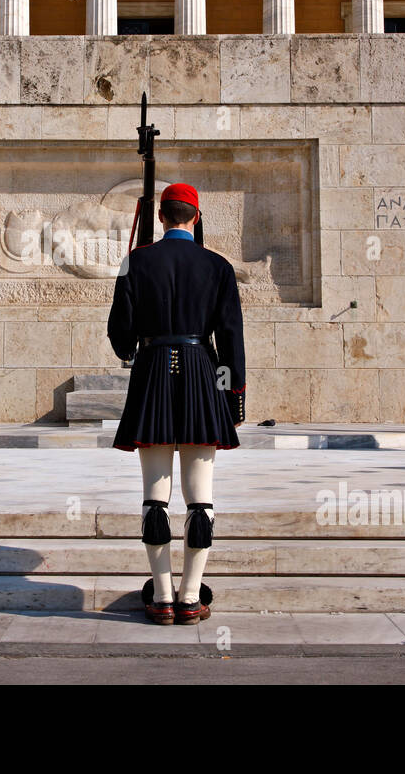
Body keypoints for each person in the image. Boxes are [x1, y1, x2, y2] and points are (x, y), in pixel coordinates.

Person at [107, 183, 246, 626]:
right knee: (200, 497)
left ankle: (162, 596)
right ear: (195, 218)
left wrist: (132, 350)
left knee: (155, 496)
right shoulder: (218, 266)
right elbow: (231, 338)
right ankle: (190, 596)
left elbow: (119, 332)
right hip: (202, 374)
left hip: (152, 372)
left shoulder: (137, 261)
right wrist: (233, 393)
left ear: (162, 218)